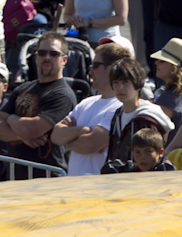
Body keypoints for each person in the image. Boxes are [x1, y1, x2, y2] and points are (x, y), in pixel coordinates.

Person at [0, 33, 79, 179]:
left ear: (64, 59)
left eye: (54, 53)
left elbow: (32, 129)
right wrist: (22, 137)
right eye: (42, 53)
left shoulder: (62, 95)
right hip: (15, 176)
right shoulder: (22, 89)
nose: (47, 57)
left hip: (47, 178)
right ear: (36, 57)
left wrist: (11, 119)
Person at [48, 44, 125, 177]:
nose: (90, 72)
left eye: (95, 66)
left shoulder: (121, 107)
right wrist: (82, 131)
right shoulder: (86, 103)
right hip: (75, 190)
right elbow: (56, 135)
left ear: (113, 68)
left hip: (99, 191)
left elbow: (89, 145)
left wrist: (69, 138)